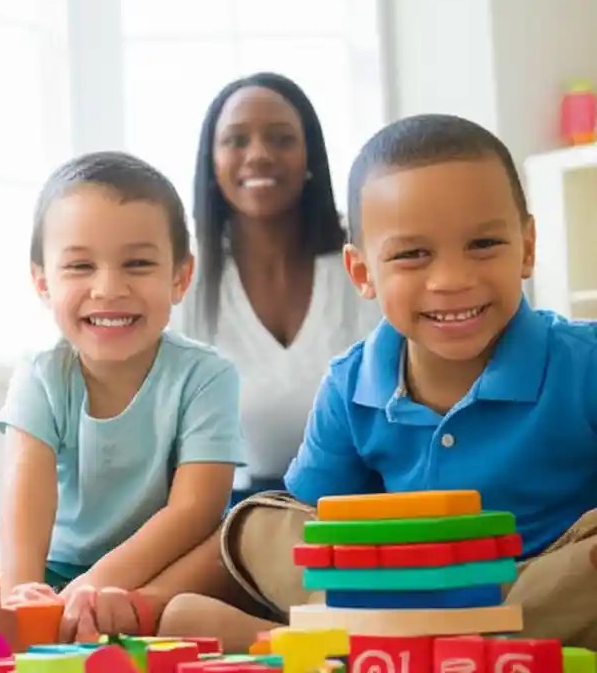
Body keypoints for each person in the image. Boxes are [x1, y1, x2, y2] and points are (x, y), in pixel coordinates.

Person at [155, 114, 597, 651]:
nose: (452, 280)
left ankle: (333, 644)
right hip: (396, 588)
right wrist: (144, 603)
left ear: (526, 248)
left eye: (483, 244)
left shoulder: (583, 362)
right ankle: (390, 643)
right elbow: (315, 535)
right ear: (363, 273)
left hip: (535, 589)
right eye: (413, 255)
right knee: (258, 523)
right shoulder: (351, 385)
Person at [0, 151, 246, 642]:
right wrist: (22, 592)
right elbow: (26, 491)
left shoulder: (206, 375)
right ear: (42, 282)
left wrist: (99, 583)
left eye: (137, 263)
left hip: (159, 572)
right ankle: (55, 623)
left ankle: (115, 614)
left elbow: (194, 508)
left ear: (179, 277)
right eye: (80, 266)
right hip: (59, 570)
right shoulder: (42, 372)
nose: (109, 288)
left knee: (229, 541)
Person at [173, 72, 379, 504]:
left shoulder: (363, 266)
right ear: (212, 161)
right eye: (236, 140)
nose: (260, 155)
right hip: (227, 515)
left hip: (359, 505)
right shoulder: (183, 284)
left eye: (282, 139)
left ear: (310, 158)